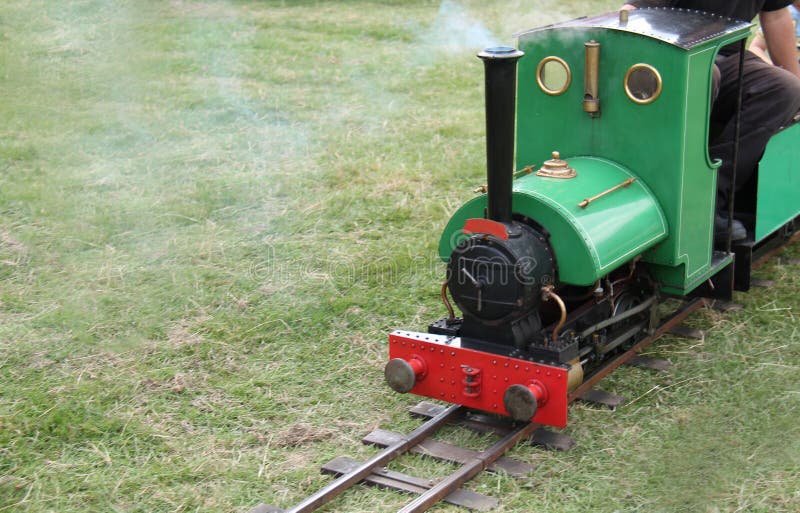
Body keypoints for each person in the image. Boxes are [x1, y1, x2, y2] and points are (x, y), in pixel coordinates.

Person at [623, 1, 800, 242]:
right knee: (703, 74)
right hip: (668, 58)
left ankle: (706, 200)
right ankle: (665, 198)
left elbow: (777, 15)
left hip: (728, 56)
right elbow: (635, 13)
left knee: (785, 88)